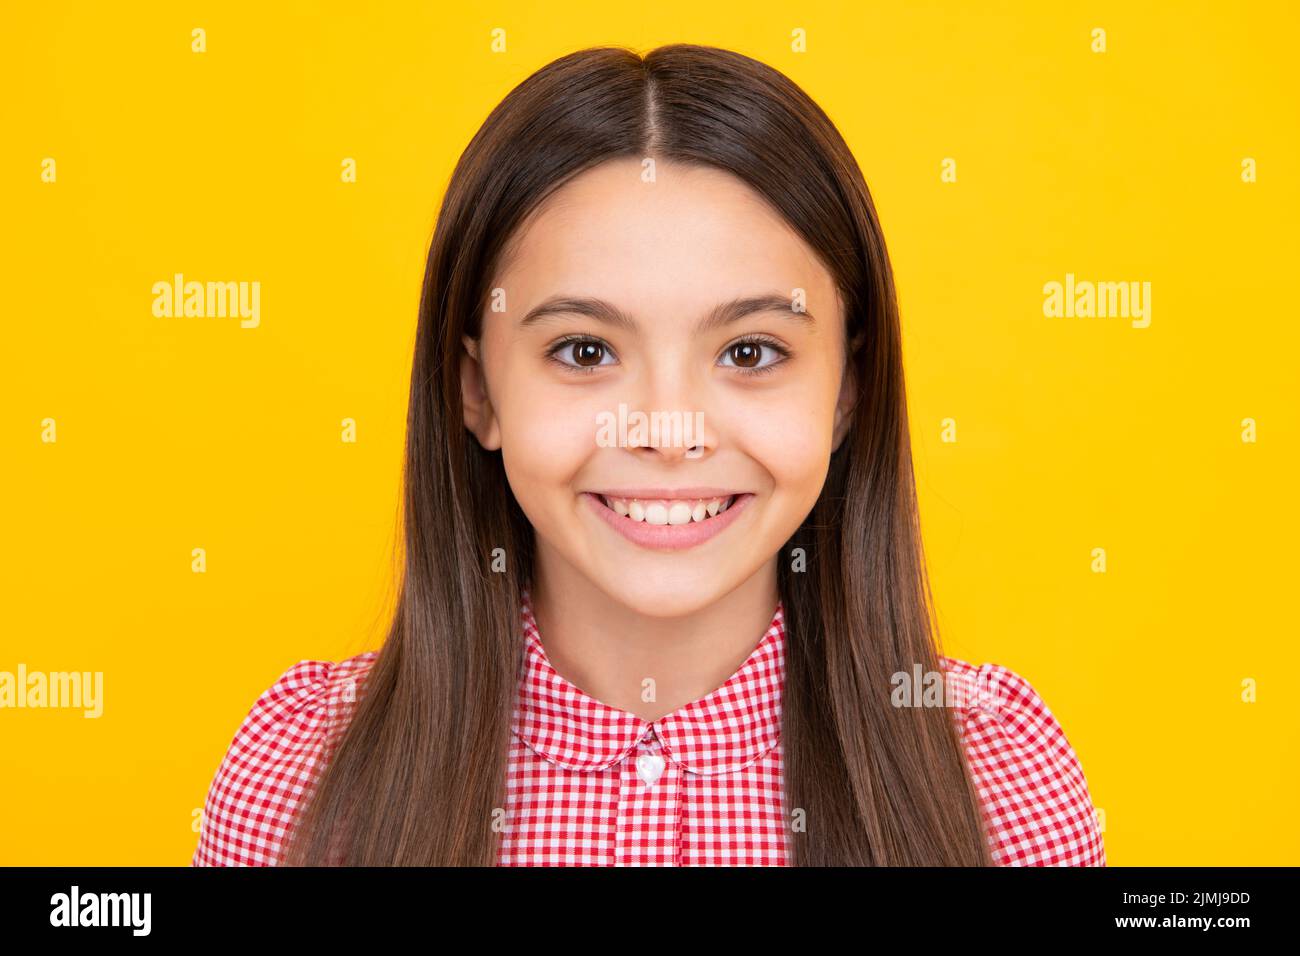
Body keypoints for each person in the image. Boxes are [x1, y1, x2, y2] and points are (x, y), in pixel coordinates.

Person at [193, 43, 1105, 867]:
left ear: (846, 393)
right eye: (585, 351)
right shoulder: (298, 777)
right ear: (477, 391)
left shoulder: (999, 778)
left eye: (751, 352)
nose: (668, 432)